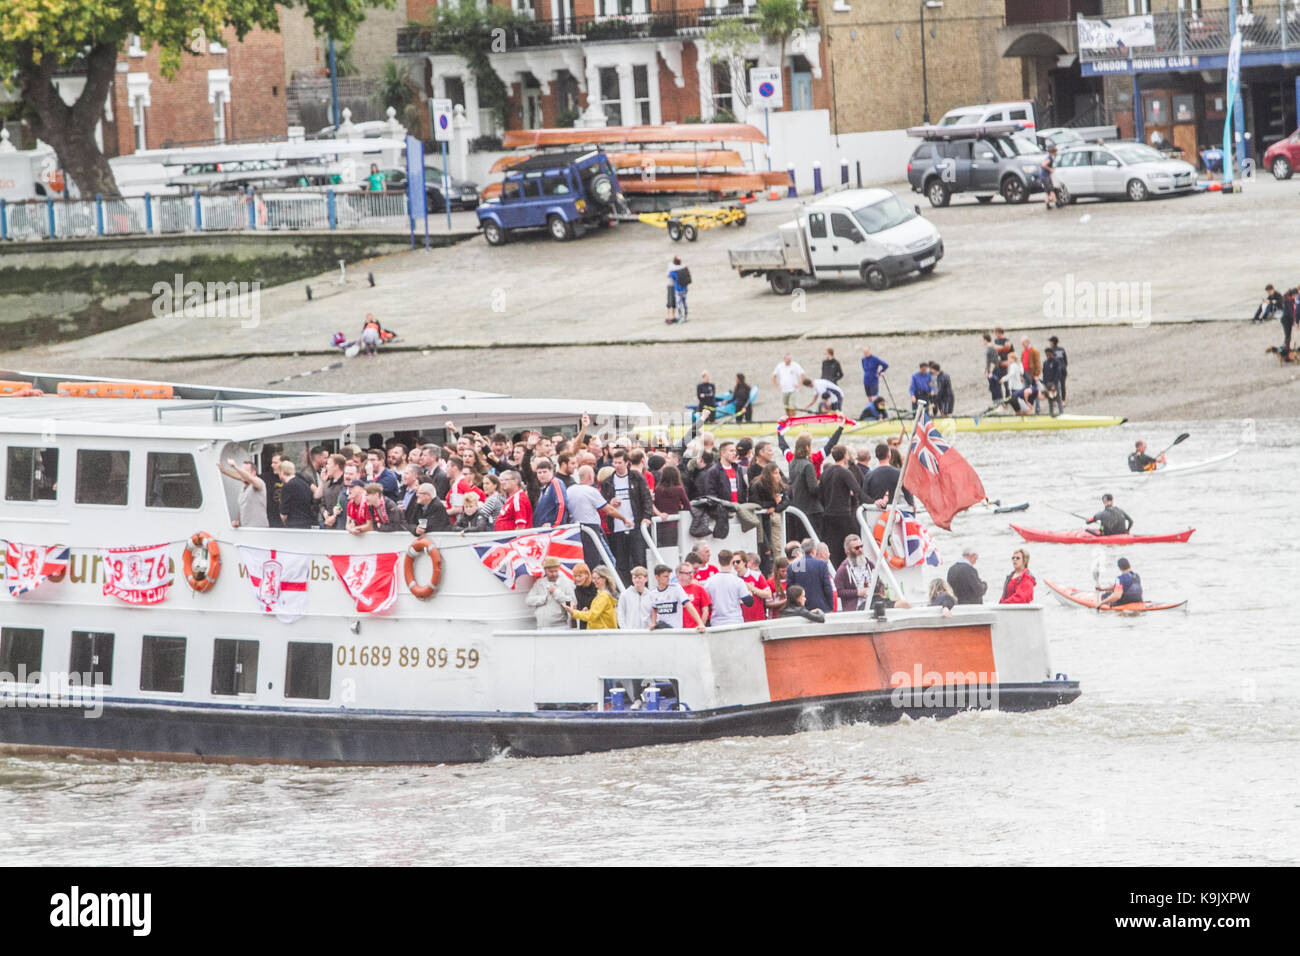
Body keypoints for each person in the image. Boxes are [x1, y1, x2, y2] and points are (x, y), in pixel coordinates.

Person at [819, 446, 861, 568]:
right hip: (843, 515)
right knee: (851, 543)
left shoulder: (825, 473)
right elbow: (857, 490)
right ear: (845, 456)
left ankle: (834, 570)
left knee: (832, 547)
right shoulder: (845, 472)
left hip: (828, 515)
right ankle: (852, 568)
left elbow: (819, 494)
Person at [703, 550, 761, 625]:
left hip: (717, 622)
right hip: (735, 621)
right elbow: (749, 602)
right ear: (731, 561)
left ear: (719, 561)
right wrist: (750, 594)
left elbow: (706, 603)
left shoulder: (709, 581)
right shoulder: (738, 581)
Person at [785, 539, 835, 614]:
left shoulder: (792, 567)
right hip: (820, 607)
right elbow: (827, 587)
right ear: (814, 550)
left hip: (800, 609)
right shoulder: (821, 565)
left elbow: (790, 590)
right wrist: (830, 606)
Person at [650, 565, 706, 631]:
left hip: (675, 630)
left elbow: (688, 605)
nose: (668, 578)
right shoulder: (653, 593)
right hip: (661, 631)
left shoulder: (676, 588)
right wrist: (653, 623)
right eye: (665, 576)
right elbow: (654, 609)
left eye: (668, 576)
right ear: (657, 577)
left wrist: (700, 623)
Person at [217, 457, 268, 528]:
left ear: (254, 473)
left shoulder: (258, 482)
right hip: (246, 529)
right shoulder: (243, 487)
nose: (242, 473)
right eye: (242, 471)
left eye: (245, 471)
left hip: (259, 529)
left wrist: (235, 467)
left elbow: (249, 478)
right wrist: (238, 521)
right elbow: (242, 507)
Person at [526, 557, 576, 628]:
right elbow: (528, 601)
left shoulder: (565, 583)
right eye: (551, 571)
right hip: (541, 625)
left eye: (556, 571)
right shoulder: (539, 583)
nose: (554, 574)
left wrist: (556, 593)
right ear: (545, 570)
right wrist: (544, 598)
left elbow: (572, 602)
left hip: (560, 626)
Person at [833, 534, 872, 611]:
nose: (860, 549)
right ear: (848, 550)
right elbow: (838, 591)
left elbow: (878, 581)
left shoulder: (869, 564)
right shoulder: (843, 569)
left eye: (861, 546)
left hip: (872, 601)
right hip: (856, 606)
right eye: (857, 548)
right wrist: (857, 592)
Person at [278, 460, 317, 529]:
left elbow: (283, 514)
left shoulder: (287, 486)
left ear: (282, 472)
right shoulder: (303, 483)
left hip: (294, 524)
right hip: (307, 522)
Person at [532, 458, 569, 528]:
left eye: (544, 472)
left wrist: (555, 525)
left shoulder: (555, 483)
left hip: (552, 531)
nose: (542, 475)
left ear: (551, 471)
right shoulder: (544, 488)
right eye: (539, 473)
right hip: (541, 529)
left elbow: (562, 504)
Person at [676, 562, 713, 627]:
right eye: (688, 573)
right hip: (680, 630)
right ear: (679, 574)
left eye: (692, 572)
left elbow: (705, 610)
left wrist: (701, 625)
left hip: (695, 629)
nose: (691, 575)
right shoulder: (674, 590)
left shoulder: (699, 589)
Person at [859, 346, 889, 418]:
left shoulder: (874, 359)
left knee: (874, 399)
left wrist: (880, 373)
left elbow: (885, 365)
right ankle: (872, 413)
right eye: (864, 352)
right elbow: (864, 369)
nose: (865, 353)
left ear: (869, 351)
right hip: (866, 381)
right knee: (869, 399)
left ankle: (879, 414)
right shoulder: (863, 360)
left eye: (866, 352)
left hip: (874, 381)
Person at [1042, 336, 1068, 414]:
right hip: (1063, 369)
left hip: (1055, 371)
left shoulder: (1051, 351)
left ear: (1052, 343)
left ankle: (1055, 401)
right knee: (1062, 385)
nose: (1049, 343)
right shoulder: (1062, 349)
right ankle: (1063, 400)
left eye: (1050, 342)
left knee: (1055, 386)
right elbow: (1065, 360)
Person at [570, 563, 597, 629]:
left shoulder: (595, 587)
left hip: (595, 623)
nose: (577, 579)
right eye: (575, 576)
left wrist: (589, 608)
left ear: (587, 575)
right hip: (583, 622)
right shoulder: (577, 589)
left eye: (580, 576)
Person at [668, 255, 689, 323]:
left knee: (679, 304)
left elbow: (668, 275)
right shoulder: (684, 268)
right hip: (685, 289)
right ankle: (686, 316)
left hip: (678, 289)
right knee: (684, 303)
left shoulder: (673, 271)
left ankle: (680, 317)